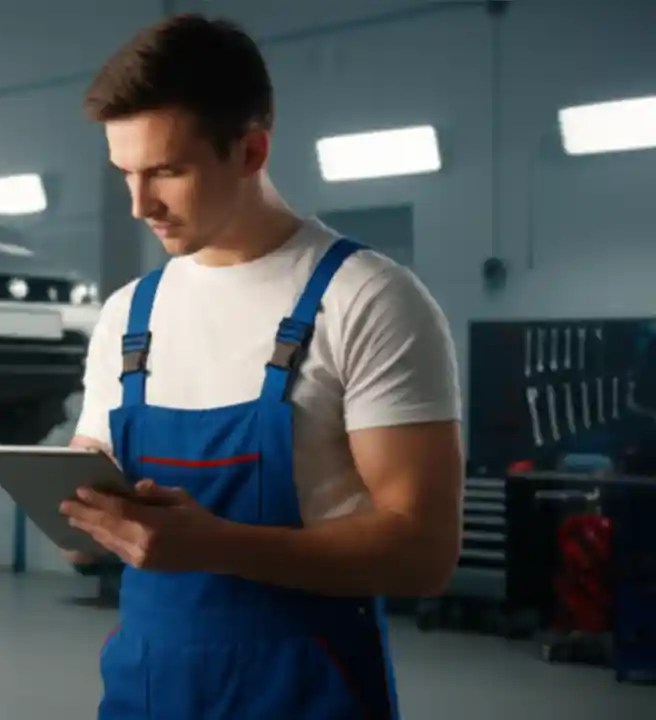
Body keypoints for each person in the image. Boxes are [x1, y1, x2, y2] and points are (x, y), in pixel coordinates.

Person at [57, 13, 464, 720]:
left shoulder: (367, 299)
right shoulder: (129, 316)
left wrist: (217, 545)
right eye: (125, 173)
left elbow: (424, 552)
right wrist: (78, 516)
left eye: (166, 172)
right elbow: (89, 496)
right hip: (144, 693)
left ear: (250, 152)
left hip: (308, 694)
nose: (138, 204)